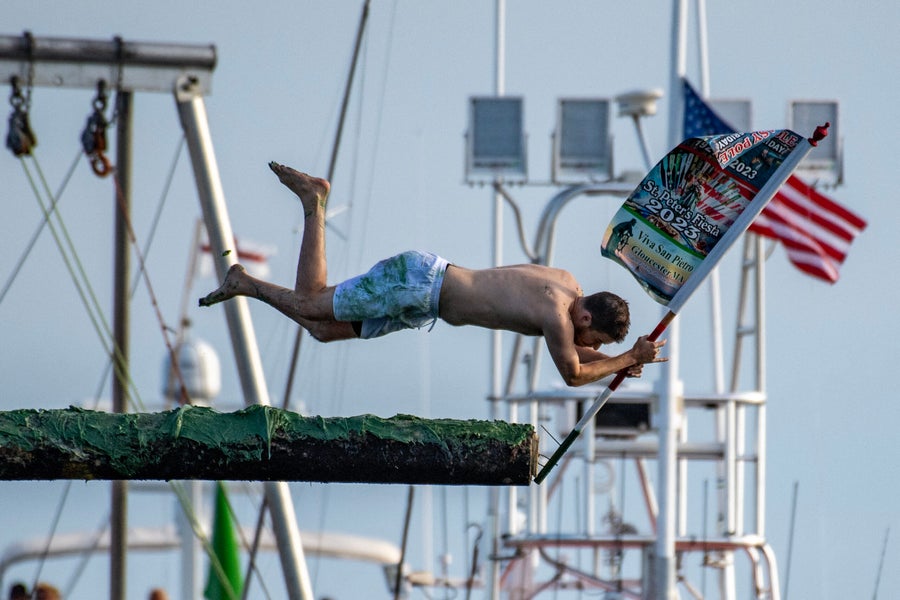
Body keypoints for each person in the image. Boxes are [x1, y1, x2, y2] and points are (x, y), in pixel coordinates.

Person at [199, 163, 666, 387]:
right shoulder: (556, 316)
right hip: (419, 283)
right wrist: (627, 359)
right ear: (585, 321)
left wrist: (622, 355)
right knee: (308, 302)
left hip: (422, 302)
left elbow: (581, 357)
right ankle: (293, 227)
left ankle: (268, 258)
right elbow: (573, 373)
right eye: (598, 341)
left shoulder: (566, 282)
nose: (592, 349)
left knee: (321, 329)